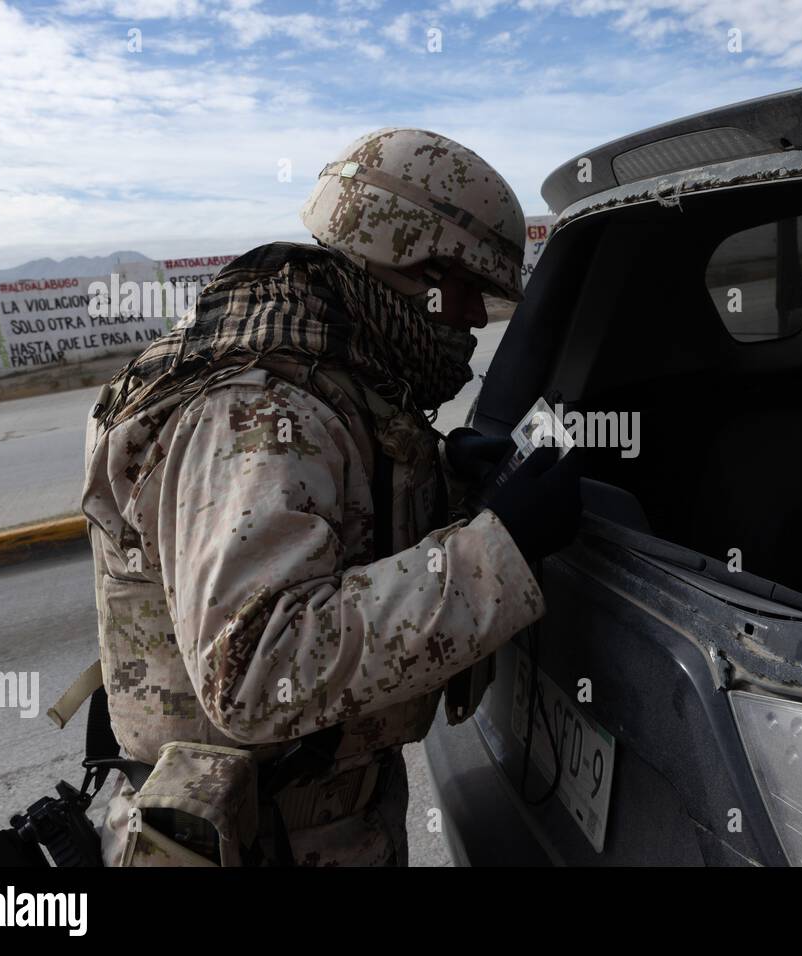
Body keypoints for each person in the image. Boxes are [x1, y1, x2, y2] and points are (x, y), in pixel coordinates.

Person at [80, 128, 581, 866]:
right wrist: (492, 555)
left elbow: (330, 528)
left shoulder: (323, 365)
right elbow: (254, 666)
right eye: (469, 287)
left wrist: (449, 486)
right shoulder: (260, 407)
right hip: (259, 840)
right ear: (408, 262)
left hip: (306, 822)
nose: (476, 318)